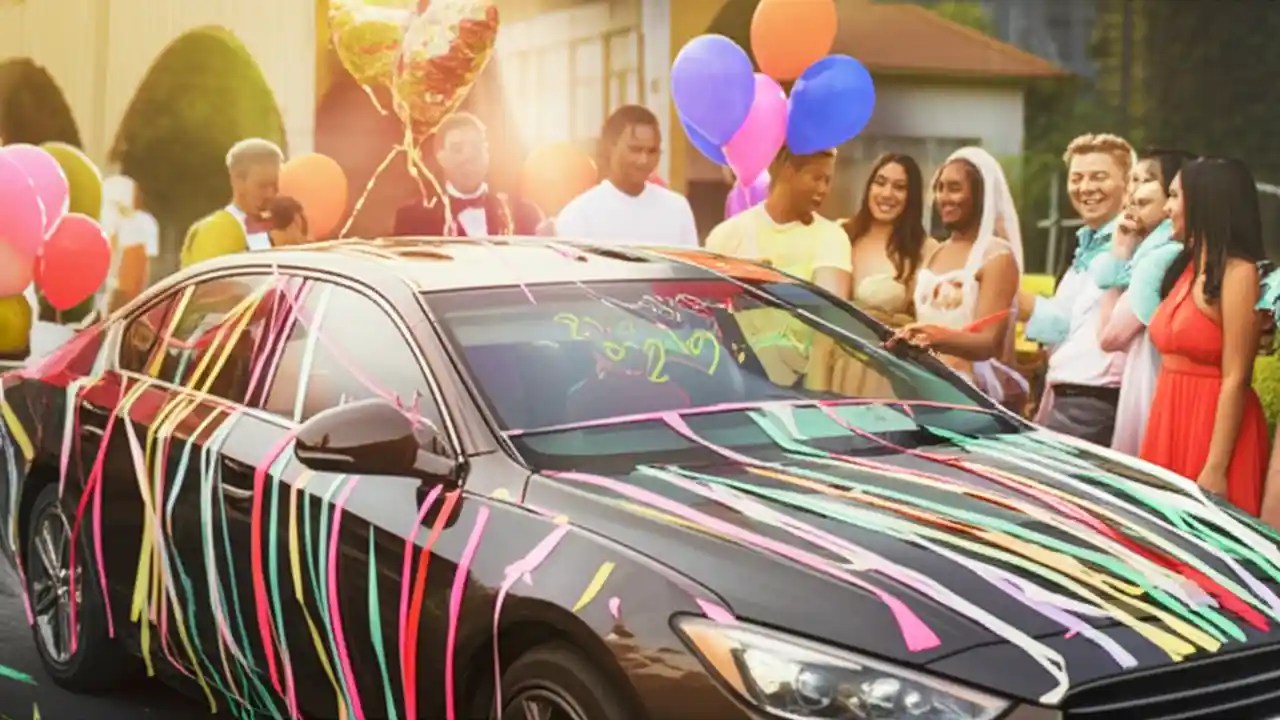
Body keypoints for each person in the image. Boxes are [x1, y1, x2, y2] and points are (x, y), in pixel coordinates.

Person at [1141, 158, 1268, 515]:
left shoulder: (1238, 273)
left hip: (1214, 431)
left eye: (1174, 196)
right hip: (1171, 416)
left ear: (1203, 202)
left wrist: (1216, 466)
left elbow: (1237, 376)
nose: (1166, 208)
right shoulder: (1185, 268)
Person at [1021, 134, 1133, 444]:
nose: (1086, 188)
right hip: (1065, 394)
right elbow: (1062, 326)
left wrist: (1015, 298)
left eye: (1099, 177)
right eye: (1077, 178)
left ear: (1128, 184)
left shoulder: (1131, 244)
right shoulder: (1086, 246)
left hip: (1098, 398)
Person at [892, 147, 1024, 409]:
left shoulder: (997, 256)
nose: (944, 197)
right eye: (940, 188)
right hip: (925, 385)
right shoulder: (935, 252)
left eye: (954, 188)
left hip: (974, 390)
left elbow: (988, 342)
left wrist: (935, 337)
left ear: (979, 195)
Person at [1091, 149, 1192, 454]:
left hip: (1153, 381)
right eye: (1133, 179)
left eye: (1148, 180)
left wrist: (1119, 250)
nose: (1135, 189)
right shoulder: (1150, 252)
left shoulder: (1161, 257)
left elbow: (1109, 336)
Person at [555, 105, 698, 247]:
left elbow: (690, 269)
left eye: (652, 151)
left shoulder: (677, 209)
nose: (644, 160)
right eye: (635, 149)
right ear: (610, 147)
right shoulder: (579, 215)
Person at [393, 112, 542, 237]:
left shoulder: (524, 214)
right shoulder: (412, 220)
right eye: (457, 149)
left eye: (477, 148)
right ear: (439, 156)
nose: (469, 156)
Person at [845, 153, 932, 328]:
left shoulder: (926, 249)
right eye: (880, 182)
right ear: (869, 187)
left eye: (899, 187)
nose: (887, 194)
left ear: (912, 196)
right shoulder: (841, 233)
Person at [179, 138, 282, 268]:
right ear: (237, 181)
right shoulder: (214, 231)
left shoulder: (277, 231)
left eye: (275, 185)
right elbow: (212, 285)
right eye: (262, 186)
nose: (271, 194)